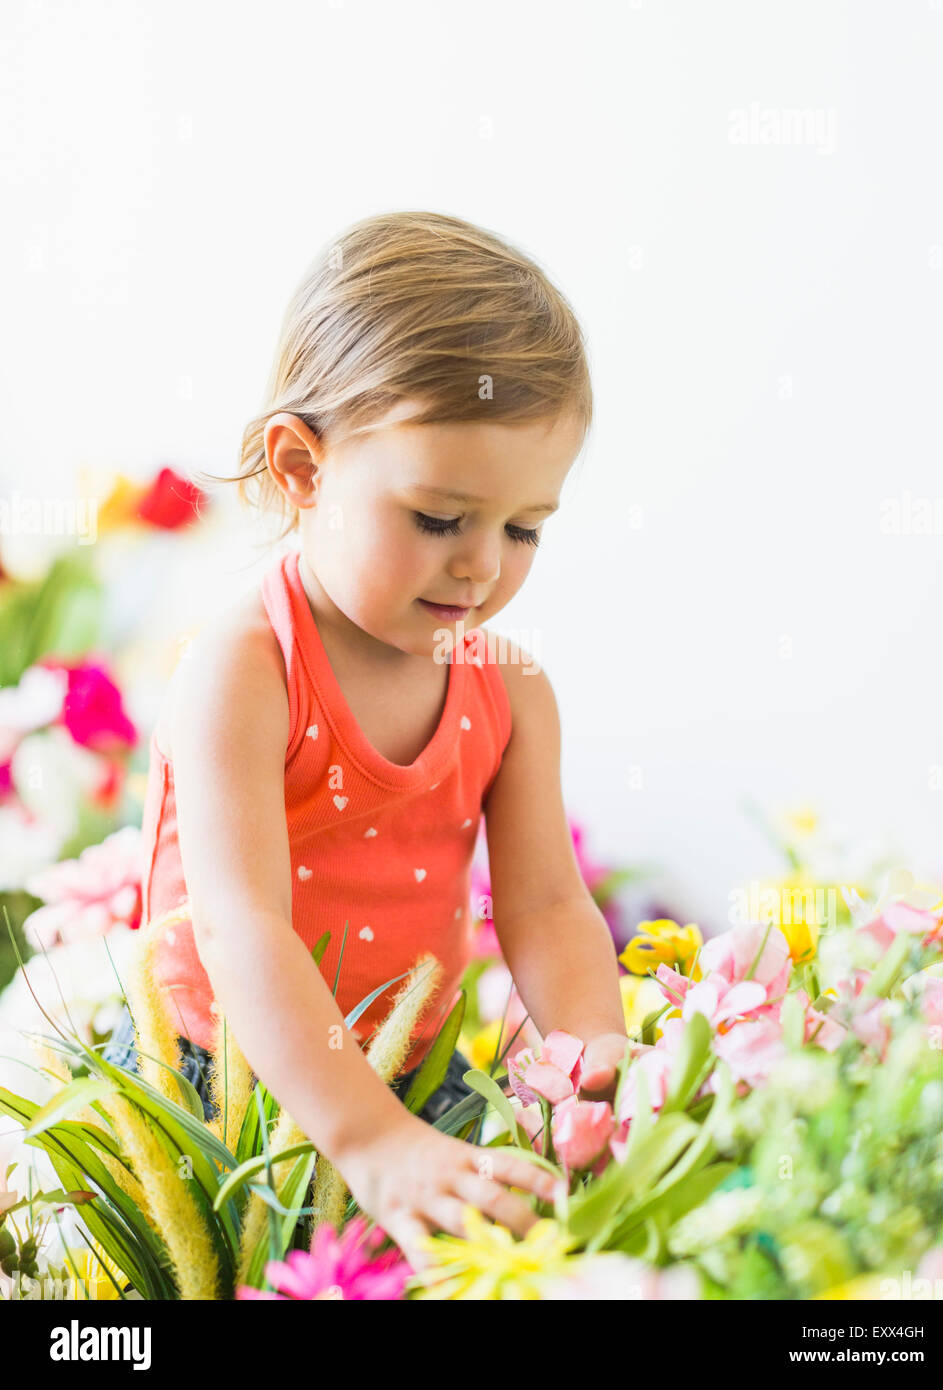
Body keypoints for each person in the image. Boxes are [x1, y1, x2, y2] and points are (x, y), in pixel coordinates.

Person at [105, 210, 629, 1270]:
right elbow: (242, 928)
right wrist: (367, 1139)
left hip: (412, 1070)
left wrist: (597, 1073)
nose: (482, 565)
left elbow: (542, 904)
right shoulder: (244, 674)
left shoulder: (510, 690)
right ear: (301, 469)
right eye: (439, 518)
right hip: (225, 1085)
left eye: (523, 527)